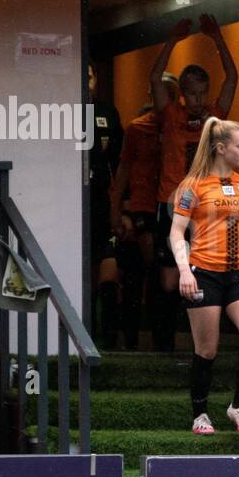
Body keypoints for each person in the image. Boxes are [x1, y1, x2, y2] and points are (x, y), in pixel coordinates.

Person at [168, 117, 239, 437]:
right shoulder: (192, 185)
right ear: (221, 148)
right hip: (204, 273)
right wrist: (185, 270)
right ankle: (200, 414)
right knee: (207, 350)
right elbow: (176, 233)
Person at [150, 14, 238, 351]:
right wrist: (171, 40)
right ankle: (163, 347)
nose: (197, 99)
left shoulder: (216, 117)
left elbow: (233, 77)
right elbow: (155, 77)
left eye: (202, 92)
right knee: (170, 281)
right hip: (171, 204)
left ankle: (203, 346)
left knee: (204, 274)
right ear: (182, 93)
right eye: (191, 93)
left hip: (207, 206)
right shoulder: (170, 115)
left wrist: (217, 38)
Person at [110, 73, 179, 349]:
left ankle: (165, 340)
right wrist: (116, 211)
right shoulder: (137, 129)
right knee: (148, 268)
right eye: (162, 93)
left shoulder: (184, 126)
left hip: (175, 208)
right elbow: (123, 170)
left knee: (168, 275)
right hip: (144, 208)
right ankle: (132, 340)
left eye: (172, 94)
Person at [85, 60, 124, 349]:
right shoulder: (59, 111)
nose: (85, 83)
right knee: (85, 275)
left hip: (101, 202)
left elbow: (121, 165)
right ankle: (86, 335)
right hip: (70, 203)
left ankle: (109, 341)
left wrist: (119, 208)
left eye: (89, 76)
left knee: (108, 274)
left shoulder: (108, 113)